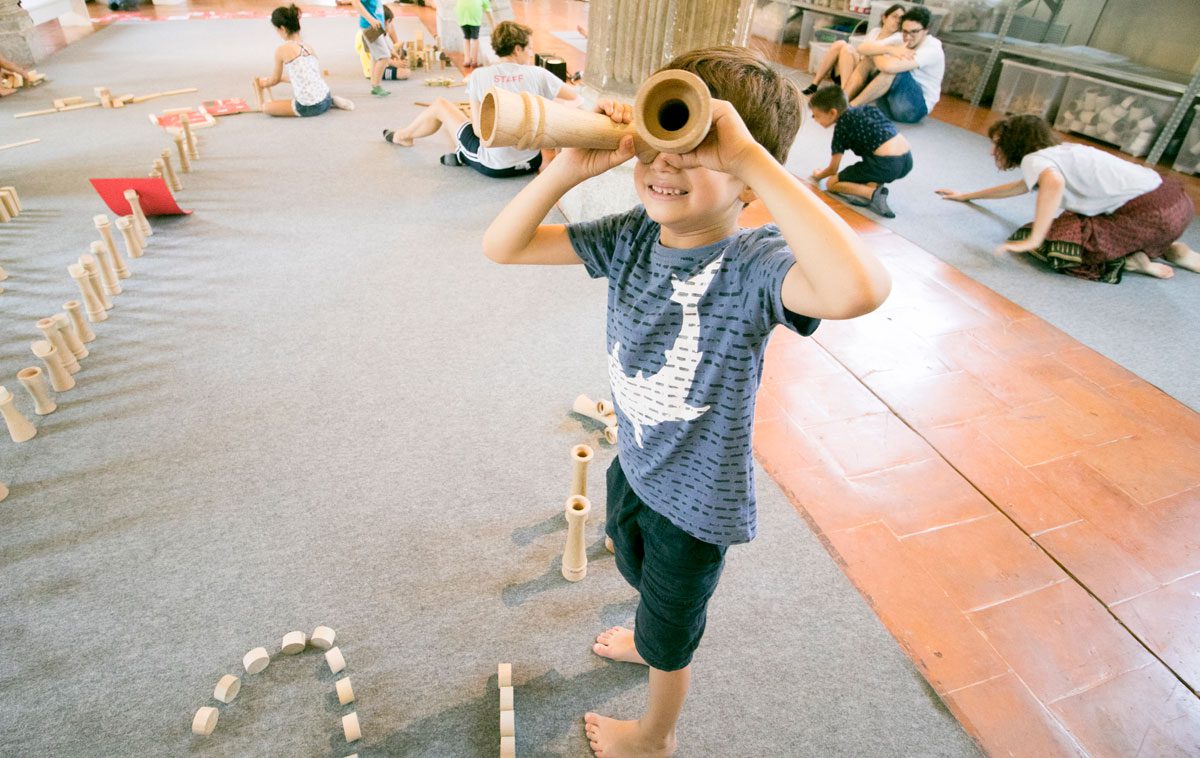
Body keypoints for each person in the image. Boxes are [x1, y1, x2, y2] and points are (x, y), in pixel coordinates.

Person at [481, 46, 890, 757]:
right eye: (663, 145)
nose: (666, 165)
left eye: (701, 154)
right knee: (634, 570)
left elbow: (859, 290)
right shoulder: (632, 237)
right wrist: (567, 169)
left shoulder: (755, 263)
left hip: (696, 506)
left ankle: (655, 735)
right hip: (637, 462)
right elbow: (503, 247)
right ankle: (647, 637)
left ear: (746, 179)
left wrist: (754, 158)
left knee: (672, 637)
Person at [936, 115, 1200, 282]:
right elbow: (1021, 187)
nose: (993, 151)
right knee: (1080, 217)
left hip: (1149, 215)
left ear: (1015, 145)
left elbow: (1053, 182)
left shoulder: (1034, 160)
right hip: (1176, 203)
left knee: (1051, 240)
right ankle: (1169, 247)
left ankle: (1129, 261)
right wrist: (967, 196)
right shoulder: (1061, 151)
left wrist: (1035, 237)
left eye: (997, 144)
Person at [384, 21, 578, 177]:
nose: (531, 53)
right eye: (529, 48)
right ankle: (461, 155)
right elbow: (576, 97)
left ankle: (403, 137)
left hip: (495, 167)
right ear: (517, 49)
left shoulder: (480, 76)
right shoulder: (539, 74)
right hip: (532, 162)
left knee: (441, 106)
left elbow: (478, 130)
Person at [809, 85, 912, 218]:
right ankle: (872, 186)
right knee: (869, 166)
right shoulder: (866, 109)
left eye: (816, 116)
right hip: (907, 160)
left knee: (831, 183)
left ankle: (871, 193)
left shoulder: (841, 128)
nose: (815, 120)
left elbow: (832, 169)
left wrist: (818, 175)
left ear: (832, 113)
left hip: (886, 164)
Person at [846, 6, 944, 124]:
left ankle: (851, 108)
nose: (908, 36)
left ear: (926, 30)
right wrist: (889, 50)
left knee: (893, 70)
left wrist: (879, 52)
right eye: (905, 31)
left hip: (913, 109)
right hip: (890, 103)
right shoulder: (901, 38)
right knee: (867, 60)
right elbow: (862, 48)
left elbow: (889, 67)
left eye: (914, 32)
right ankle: (842, 101)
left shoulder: (932, 48)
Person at [257, 5, 354, 117]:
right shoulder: (308, 47)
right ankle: (331, 101)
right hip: (325, 96)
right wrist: (282, 79)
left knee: (266, 107)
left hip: (309, 106)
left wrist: (264, 83)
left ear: (282, 29)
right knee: (317, 94)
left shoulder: (281, 50)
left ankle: (324, 104)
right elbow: (307, 76)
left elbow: (274, 79)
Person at [802, 3, 905, 96]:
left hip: (867, 75)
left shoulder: (897, 37)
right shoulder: (875, 31)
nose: (897, 21)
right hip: (856, 69)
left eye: (900, 19)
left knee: (847, 49)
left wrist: (860, 51)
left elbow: (865, 51)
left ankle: (844, 94)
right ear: (884, 18)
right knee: (840, 44)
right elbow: (862, 51)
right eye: (894, 17)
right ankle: (814, 85)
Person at [350, 0, 390, 95]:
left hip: (375, 25)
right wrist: (370, 19)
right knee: (384, 56)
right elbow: (355, 2)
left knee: (376, 57)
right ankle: (376, 85)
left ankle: (374, 84)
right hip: (370, 26)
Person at [456, 0, 496, 68]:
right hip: (474, 18)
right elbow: (489, 13)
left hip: (461, 15)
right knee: (475, 38)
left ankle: (467, 60)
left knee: (466, 38)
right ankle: (474, 61)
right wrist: (494, 27)